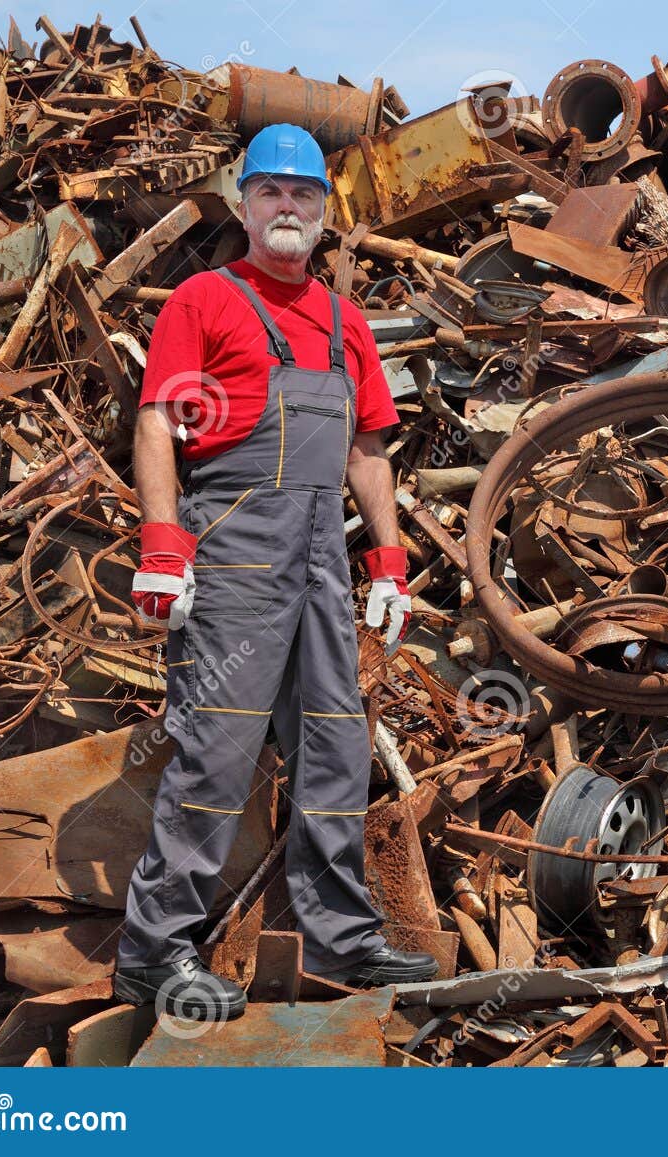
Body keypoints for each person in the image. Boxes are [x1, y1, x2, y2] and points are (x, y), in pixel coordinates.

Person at [113, 123, 437, 1020]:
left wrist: (388, 560)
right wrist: (165, 547)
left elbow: (369, 451)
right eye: (270, 194)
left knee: (334, 749)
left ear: (324, 215)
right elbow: (156, 425)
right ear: (245, 204)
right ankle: (152, 953)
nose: (286, 207)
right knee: (215, 754)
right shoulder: (202, 301)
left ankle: (343, 938)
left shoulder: (344, 318)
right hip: (235, 556)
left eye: (302, 195)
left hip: (321, 565)